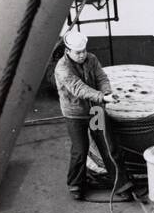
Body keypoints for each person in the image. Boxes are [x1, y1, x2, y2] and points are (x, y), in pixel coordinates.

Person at [53, 28, 131, 201]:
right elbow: (78, 88)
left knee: (108, 147)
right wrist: (103, 97)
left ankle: (122, 185)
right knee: (80, 150)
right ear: (68, 51)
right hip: (75, 115)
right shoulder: (62, 68)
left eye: (84, 51)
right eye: (78, 52)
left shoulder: (92, 59)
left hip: (95, 110)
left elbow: (101, 78)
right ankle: (75, 185)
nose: (82, 55)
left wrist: (107, 92)